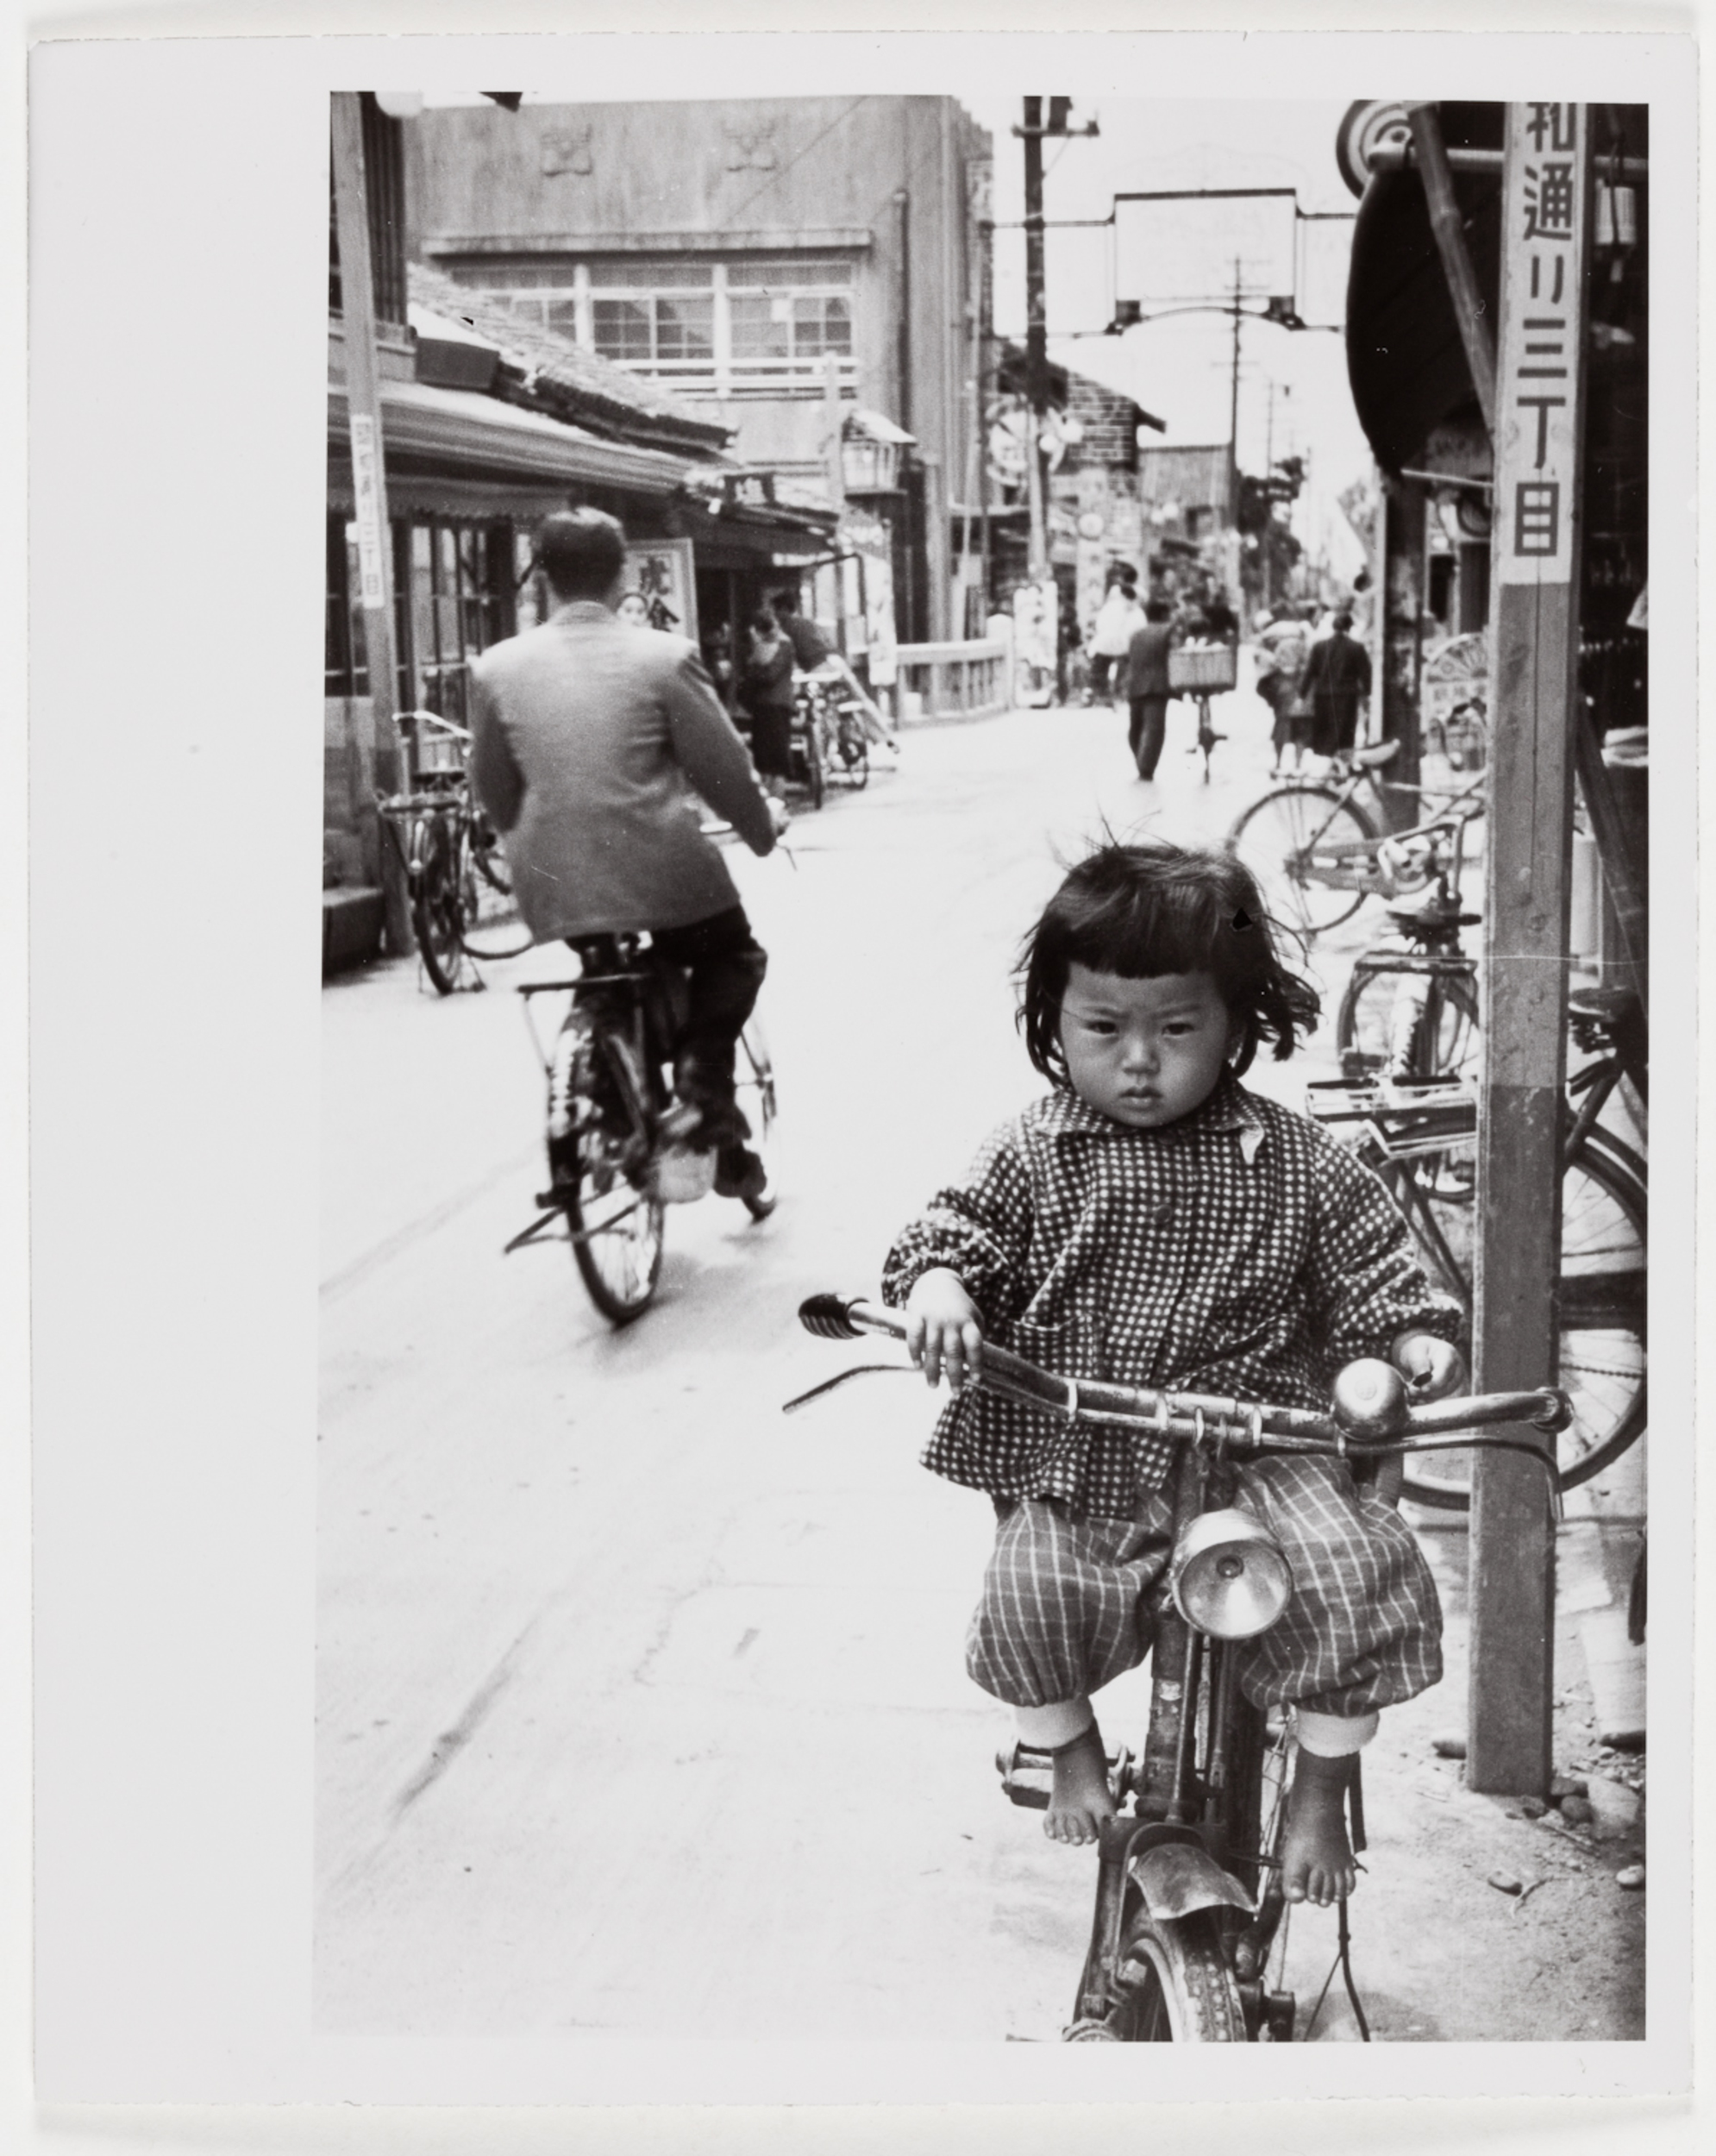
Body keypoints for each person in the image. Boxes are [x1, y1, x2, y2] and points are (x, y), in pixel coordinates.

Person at [880, 841, 1465, 1904]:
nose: (1139, 1060)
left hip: (1267, 1451)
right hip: (1090, 1450)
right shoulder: (1033, 1150)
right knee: (1029, 1587)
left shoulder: (1295, 1157)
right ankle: (1067, 1746)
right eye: (1104, 1028)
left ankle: (1320, 1783)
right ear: (1053, 1021)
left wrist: (1411, 1342)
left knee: (1353, 1572)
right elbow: (954, 1230)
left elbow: (1378, 1274)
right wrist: (939, 1284)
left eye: (1177, 1029)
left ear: (1236, 1026)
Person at [470, 509, 779, 1207]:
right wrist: (762, 830)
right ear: (623, 576)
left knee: (607, 972)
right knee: (732, 954)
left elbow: (495, 790)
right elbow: (722, 773)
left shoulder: (496, 668)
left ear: (543, 579)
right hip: (664, 873)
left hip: (554, 883)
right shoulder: (663, 658)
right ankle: (702, 1080)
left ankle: (614, 1098)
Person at [773, 584, 899, 751]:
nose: (775, 615)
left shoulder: (786, 627)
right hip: (835, 661)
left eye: (777, 610)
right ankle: (887, 737)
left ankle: (833, 745)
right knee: (859, 699)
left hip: (818, 668)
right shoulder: (807, 622)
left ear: (784, 609)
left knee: (823, 707)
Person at [738, 608, 799, 805]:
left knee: (776, 761)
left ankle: (777, 803)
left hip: (777, 707)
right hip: (764, 708)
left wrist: (755, 667)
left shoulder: (784, 645)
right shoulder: (762, 646)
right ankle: (770, 804)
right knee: (765, 761)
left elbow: (769, 675)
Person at [1295, 609, 1374, 761]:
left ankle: (1331, 762)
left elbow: (1309, 672)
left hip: (1323, 696)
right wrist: (1367, 694)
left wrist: (1301, 695)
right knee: (1344, 734)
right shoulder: (1356, 648)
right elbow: (1366, 674)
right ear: (1349, 627)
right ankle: (1340, 764)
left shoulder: (1319, 646)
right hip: (1347, 697)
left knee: (1327, 732)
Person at [1256, 606, 1313, 776]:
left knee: (1281, 728)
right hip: (1300, 691)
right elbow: (1308, 666)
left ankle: (1278, 763)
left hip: (1282, 690)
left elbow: (1270, 668)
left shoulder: (1277, 645)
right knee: (1300, 731)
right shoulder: (1303, 644)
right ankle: (1298, 765)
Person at [1122, 598, 1175, 781]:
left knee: (1135, 728)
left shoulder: (1135, 635)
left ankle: (1141, 761)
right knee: (1154, 728)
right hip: (1157, 686)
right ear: (1164, 615)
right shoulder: (1168, 631)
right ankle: (1146, 767)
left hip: (1134, 684)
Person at [1083, 573, 1143, 705]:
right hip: (1123, 646)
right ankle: (1118, 694)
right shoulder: (1136, 611)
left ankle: (1101, 695)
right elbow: (1139, 629)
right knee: (1122, 672)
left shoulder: (1111, 606)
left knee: (1100, 671)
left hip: (1107, 644)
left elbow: (1100, 625)